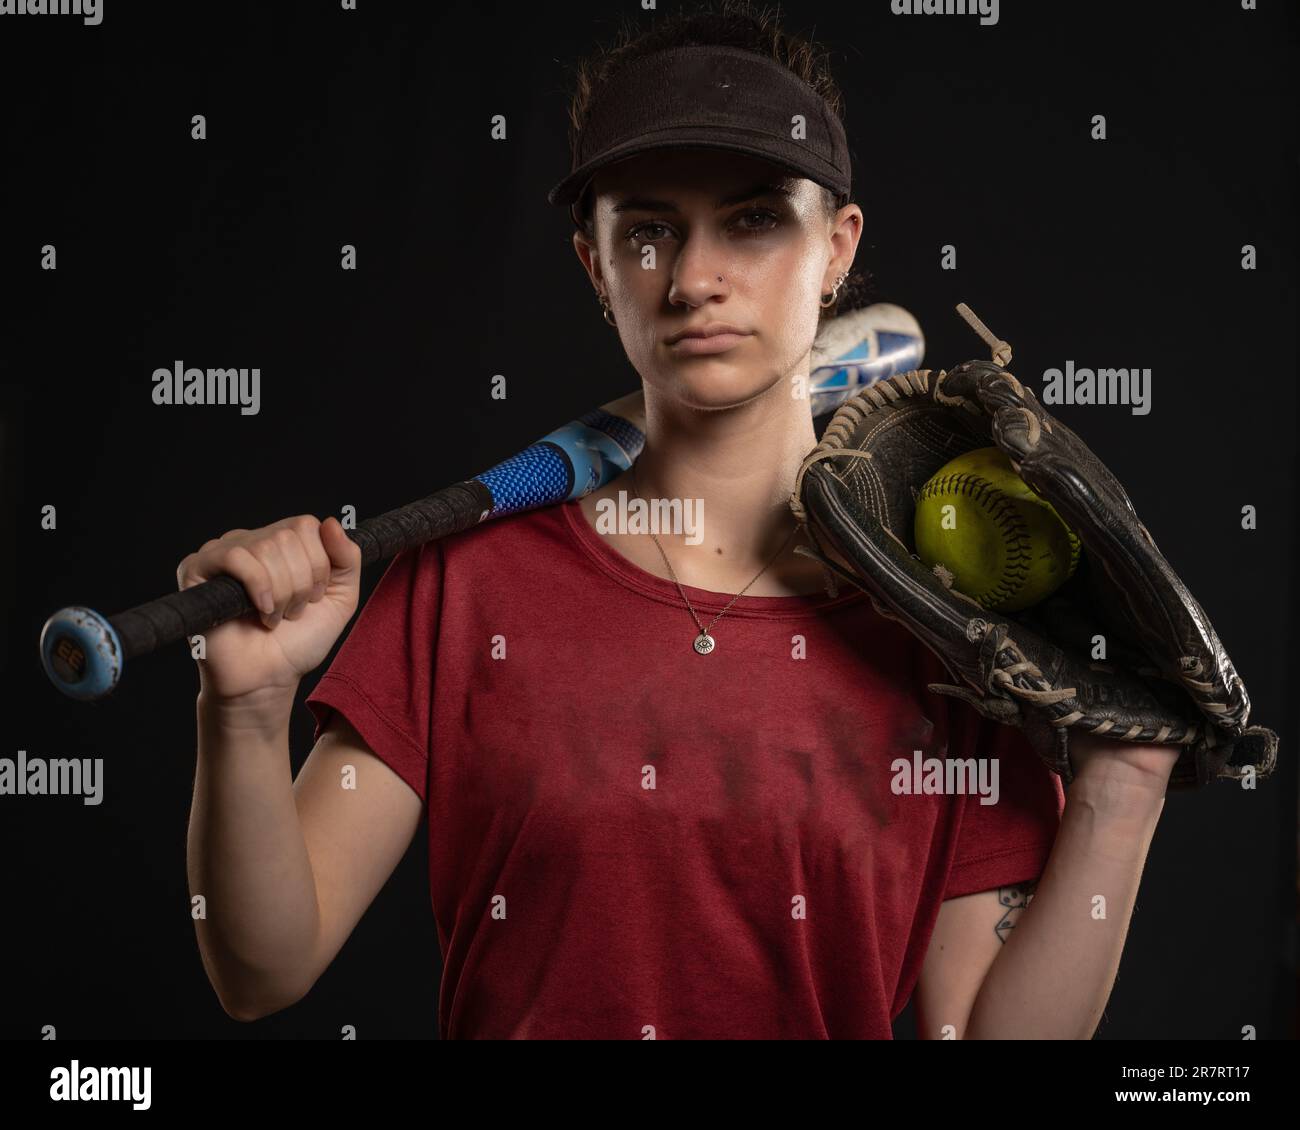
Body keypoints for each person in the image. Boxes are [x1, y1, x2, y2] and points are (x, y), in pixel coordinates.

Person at [182, 0, 1176, 1039]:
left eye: (753, 218)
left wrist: (1124, 786)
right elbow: (263, 967)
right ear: (591, 263)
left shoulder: (944, 623)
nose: (695, 279)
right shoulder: (464, 580)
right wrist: (245, 711)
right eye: (648, 229)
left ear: (837, 248)